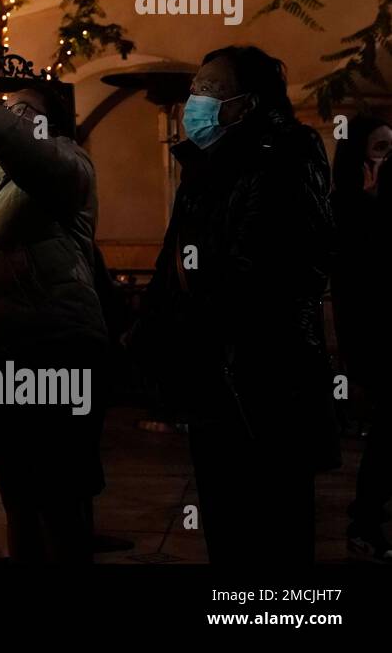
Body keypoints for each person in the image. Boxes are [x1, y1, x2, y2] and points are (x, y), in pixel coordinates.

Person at [130, 46, 340, 564]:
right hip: (213, 377)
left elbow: (264, 275)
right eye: (196, 88)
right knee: (227, 522)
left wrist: (195, 305)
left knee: (272, 525)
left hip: (264, 377)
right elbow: (175, 261)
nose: (195, 100)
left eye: (211, 90)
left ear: (246, 104)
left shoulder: (283, 158)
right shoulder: (207, 164)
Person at [0, 85, 109, 563]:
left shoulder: (66, 163)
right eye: (7, 109)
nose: (12, 117)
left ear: (52, 125)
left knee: (61, 495)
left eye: (25, 111)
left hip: (56, 343)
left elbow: (30, 155)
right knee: (16, 490)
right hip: (4, 346)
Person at [330, 114, 392, 562]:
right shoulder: (347, 206)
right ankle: (366, 520)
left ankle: (368, 518)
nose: (388, 159)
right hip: (374, 336)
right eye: (380, 148)